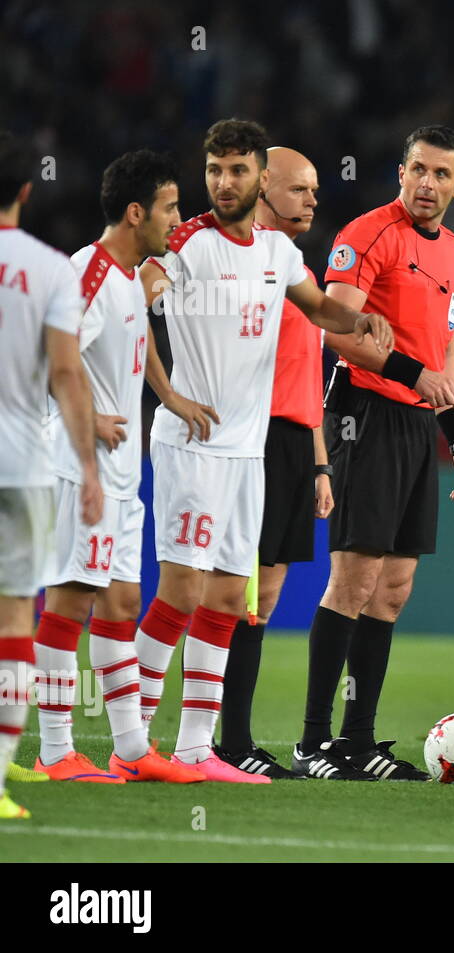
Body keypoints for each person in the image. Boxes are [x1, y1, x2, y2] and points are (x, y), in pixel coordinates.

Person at [137, 118, 392, 783]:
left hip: (249, 456)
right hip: (192, 447)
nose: (225, 181)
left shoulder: (279, 257)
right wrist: (168, 394)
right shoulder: (186, 242)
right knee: (180, 591)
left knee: (227, 597)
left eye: (237, 170)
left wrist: (362, 319)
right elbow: (135, 309)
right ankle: (131, 741)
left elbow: (321, 310)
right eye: (215, 169)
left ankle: (198, 749)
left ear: (257, 178)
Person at [292, 125, 454, 781]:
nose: (427, 183)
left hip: (419, 424)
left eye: (440, 173)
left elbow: (445, 352)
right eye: (417, 169)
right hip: (362, 414)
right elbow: (335, 326)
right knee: (354, 579)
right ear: (401, 172)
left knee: (393, 589)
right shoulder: (368, 235)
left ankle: (357, 741)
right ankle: (314, 741)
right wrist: (411, 373)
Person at [33, 150, 212, 784]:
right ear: (136, 212)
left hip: (120, 473)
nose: (178, 218)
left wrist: (166, 395)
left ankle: (131, 748)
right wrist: (93, 419)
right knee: (72, 600)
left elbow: (138, 349)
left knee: (122, 600)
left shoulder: (130, 277)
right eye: (169, 207)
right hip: (78, 465)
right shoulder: (87, 273)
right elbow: (52, 356)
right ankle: (55, 752)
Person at [212, 146, 334, 778]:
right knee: (238, 592)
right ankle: (225, 742)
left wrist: (318, 463)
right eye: (299, 189)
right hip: (249, 438)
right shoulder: (237, 259)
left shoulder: (293, 267)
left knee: (267, 591)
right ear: (264, 190)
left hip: (291, 442)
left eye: (315, 189)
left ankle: (232, 740)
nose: (313, 199)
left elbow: (306, 375)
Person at [0, 130, 104, 817]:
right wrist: (89, 464)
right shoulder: (50, 269)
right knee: (14, 616)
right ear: (27, 190)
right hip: (21, 464)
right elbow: (68, 372)